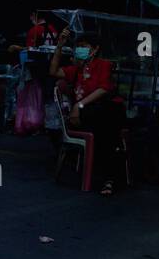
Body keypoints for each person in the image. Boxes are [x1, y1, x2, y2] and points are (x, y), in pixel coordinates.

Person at [49, 30, 125, 196]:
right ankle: (109, 177)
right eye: (78, 46)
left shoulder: (103, 65)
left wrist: (79, 106)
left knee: (106, 124)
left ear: (95, 49)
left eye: (84, 46)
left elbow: (104, 88)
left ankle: (108, 177)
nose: (80, 49)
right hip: (89, 114)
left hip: (105, 109)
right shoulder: (76, 69)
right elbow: (54, 72)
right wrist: (59, 46)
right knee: (103, 129)